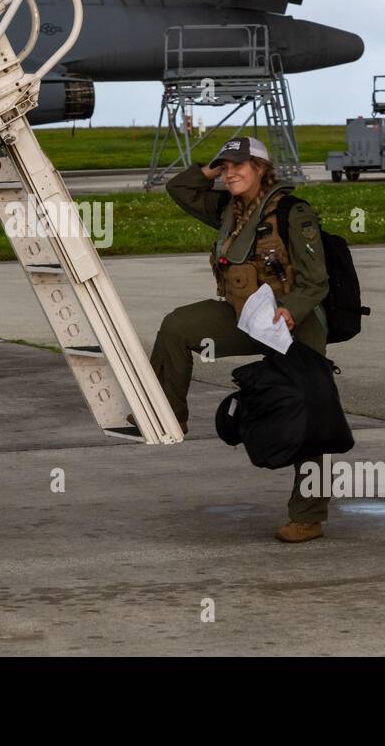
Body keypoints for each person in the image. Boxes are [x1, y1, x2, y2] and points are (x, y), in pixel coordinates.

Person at [150, 136, 332, 543]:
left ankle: (307, 515)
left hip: (294, 323)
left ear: (262, 169)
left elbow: (316, 280)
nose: (229, 172)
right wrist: (209, 171)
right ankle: (167, 413)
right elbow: (179, 189)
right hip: (247, 315)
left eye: (238, 165)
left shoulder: (293, 212)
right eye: (224, 166)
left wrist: (291, 309)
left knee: (305, 414)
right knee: (177, 326)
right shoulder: (228, 210)